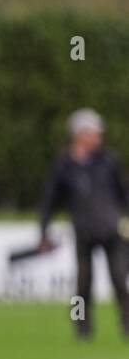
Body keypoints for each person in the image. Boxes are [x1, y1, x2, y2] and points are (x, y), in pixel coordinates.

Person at [39, 108, 129, 338]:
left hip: (111, 230)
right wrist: (43, 229)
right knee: (82, 287)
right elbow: (50, 199)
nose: (99, 137)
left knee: (120, 280)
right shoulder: (64, 165)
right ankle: (81, 327)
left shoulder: (108, 160)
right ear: (79, 134)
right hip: (83, 232)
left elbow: (122, 192)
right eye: (94, 132)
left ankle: (127, 324)